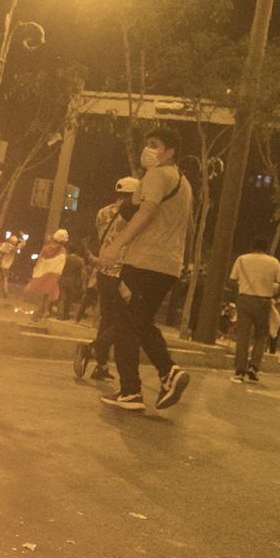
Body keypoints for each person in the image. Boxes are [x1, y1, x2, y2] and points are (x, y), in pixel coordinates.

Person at [97, 129, 194, 413]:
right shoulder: (184, 183)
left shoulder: (158, 175)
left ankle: (132, 391)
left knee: (126, 322)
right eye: (146, 144)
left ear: (170, 151)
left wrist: (116, 245)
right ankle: (167, 374)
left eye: (154, 145)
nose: (147, 150)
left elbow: (146, 212)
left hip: (144, 263)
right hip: (168, 265)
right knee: (139, 320)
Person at [74, 175, 138, 382]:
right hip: (121, 273)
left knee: (108, 318)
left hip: (102, 273)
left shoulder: (102, 212)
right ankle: (92, 349)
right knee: (128, 320)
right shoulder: (132, 214)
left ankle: (101, 366)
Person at [229, 243, 280, 383]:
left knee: (243, 335)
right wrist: (275, 296)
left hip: (244, 299)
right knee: (262, 335)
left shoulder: (242, 259)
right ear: (266, 249)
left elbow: (232, 280)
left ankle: (239, 370)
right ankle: (254, 367)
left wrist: (238, 295)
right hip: (264, 301)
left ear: (251, 248)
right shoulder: (273, 261)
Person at [24, 236, 65, 323]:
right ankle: (43, 312)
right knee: (49, 296)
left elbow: (40, 260)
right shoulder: (62, 252)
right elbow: (60, 266)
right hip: (54, 277)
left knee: (44, 296)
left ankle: (41, 312)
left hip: (43, 276)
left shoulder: (46, 248)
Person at [58, 229, 87, 320]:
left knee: (62, 298)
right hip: (73, 281)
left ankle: (60, 315)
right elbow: (83, 273)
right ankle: (66, 316)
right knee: (69, 299)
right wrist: (83, 284)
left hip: (63, 279)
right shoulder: (80, 260)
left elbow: (59, 268)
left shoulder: (65, 258)